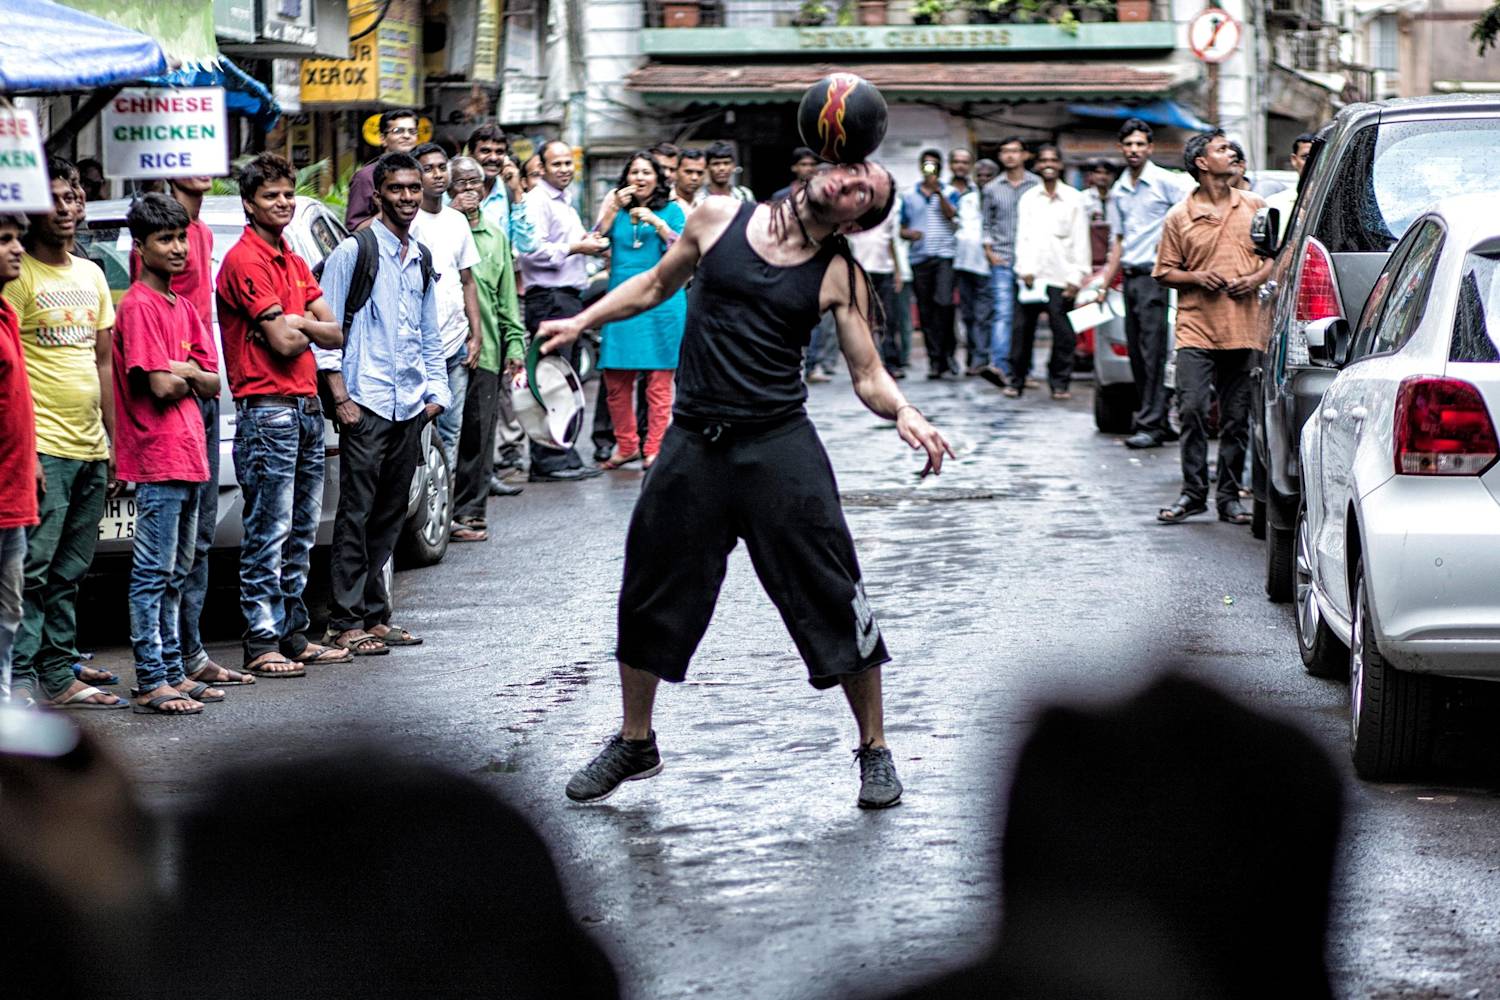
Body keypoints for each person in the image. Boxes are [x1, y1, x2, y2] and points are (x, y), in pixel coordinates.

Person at [538, 161, 954, 810]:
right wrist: (582, 322)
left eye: (865, 189)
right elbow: (652, 285)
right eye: (850, 171)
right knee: (649, 587)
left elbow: (867, 372)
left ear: (857, 218)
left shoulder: (839, 272)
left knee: (833, 591)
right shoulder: (716, 217)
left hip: (778, 445)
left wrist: (904, 411)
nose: (850, 183)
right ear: (819, 173)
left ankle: (874, 748)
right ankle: (635, 739)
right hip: (693, 442)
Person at [217, 153, 351, 676]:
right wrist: (299, 324)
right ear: (249, 203)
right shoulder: (245, 260)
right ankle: (262, 641)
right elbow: (282, 338)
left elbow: (334, 330)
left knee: (299, 532)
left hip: (306, 406)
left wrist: (299, 322)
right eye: (271, 196)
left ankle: (293, 635)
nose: (283, 203)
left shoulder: (293, 259)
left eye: (288, 195)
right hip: (267, 409)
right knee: (268, 530)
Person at [317, 152, 452, 651]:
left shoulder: (421, 256)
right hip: (366, 402)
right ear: (378, 194)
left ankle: (376, 616)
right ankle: (345, 622)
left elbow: (428, 332)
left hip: (410, 406)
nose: (408, 198)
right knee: (356, 513)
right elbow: (327, 332)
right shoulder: (354, 252)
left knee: (390, 514)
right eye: (397, 189)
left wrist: (436, 393)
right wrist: (339, 396)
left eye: (414, 189)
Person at [4, 162, 126, 710]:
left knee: (73, 569)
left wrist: (113, 439)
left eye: (74, 196)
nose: (68, 207)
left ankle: (59, 671)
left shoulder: (93, 274)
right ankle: (22, 677)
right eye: (55, 198)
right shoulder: (19, 275)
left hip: (89, 445)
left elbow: (104, 362)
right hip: (44, 446)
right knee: (32, 568)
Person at [113, 194, 223, 715]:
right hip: (157, 457)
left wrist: (184, 370)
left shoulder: (181, 307)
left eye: (181, 238)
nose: (178, 248)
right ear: (141, 248)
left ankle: (175, 670)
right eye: (165, 239)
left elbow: (213, 380)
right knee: (153, 572)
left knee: (178, 571)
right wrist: (184, 372)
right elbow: (159, 386)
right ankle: (151, 677)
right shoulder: (137, 306)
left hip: (190, 455)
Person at [1153, 129, 1271, 526]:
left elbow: (1278, 256)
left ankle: (1229, 497)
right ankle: (1192, 493)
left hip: (1243, 327)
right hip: (1196, 329)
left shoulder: (1255, 205)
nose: (1232, 152)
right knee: (1191, 410)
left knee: (1237, 418)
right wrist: (1198, 277)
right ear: (1202, 164)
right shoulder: (1178, 216)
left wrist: (1254, 280)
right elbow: (1164, 271)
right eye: (1222, 149)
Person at [1094, 118, 1193, 448]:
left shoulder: (1166, 182)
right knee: (1137, 353)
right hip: (1131, 278)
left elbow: (1191, 215)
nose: (1134, 150)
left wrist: (1170, 248)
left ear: (1149, 148)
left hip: (1156, 277)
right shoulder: (1120, 189)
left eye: (1140, 145)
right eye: (1129, 145)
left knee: (1153, 353)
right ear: (1121, 149)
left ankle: (1151, 423)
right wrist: (1104, 283)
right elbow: (1118, 242)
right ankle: (1158, 420)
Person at [518, 140, 609, 482]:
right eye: (556, 164)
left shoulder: (564, 202)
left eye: (568, 163)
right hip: (549, 298)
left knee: (564, 381)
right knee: (550, 380)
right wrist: (576, 247)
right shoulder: (537, 201)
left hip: (568, 296)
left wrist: (590, 246)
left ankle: (563, 454)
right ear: (542, 167)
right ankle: (546, 461)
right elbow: (530, 251)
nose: (564, 169)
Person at [448, 158, 527, 543]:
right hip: (445, 348)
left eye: (474, 183)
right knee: (448, 434)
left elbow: (507, 299)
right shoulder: (439, 229)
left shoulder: (495, 236)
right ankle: (442, 509)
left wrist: (515, 344)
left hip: (489, 349)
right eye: (459, 183)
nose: (467, 189)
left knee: (479, 435)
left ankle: (470, 513)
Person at [592, 152, 687, 470]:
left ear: (659, 179)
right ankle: (627, 445)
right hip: (619, 301)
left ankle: (655, 448)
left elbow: (684, 251)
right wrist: (611, 210)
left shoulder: (673, 211)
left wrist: (656, 222)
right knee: (615, 380)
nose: (640, 178)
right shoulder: (616, 210)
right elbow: (594, 242)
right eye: (634, 172)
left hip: (662, 304)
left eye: (647, 172)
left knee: (659, 383)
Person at [410, 142, 482, 475]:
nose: (438, 174)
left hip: (456, 343)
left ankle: (445, 506)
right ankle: (419, 511)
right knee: (421, 431)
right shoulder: (409, 222)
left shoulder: (457, 220)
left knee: (452, 430)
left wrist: (475, 335)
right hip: (420, 348)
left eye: (442, 167)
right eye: (429, 168)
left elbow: (467, 280)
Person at [1010, 145, 1089, 400]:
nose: (1048, 164)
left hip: (1061, 276)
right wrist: (1023, 268)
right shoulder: (1028, 199)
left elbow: (1081, 240)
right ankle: (1016, 380)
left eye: (1053, 160)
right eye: (1043, 160)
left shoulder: (1074, 199)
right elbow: (1022, 237)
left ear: (1060, 165)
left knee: (1064, 335)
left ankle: (1059, 383)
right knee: (1022, 333)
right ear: (1037, 165)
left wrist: (1076, 278)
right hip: (1032, 277)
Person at [0, 215, 34, 703]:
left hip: (13, 497)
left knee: (8, 613)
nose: (17, 249)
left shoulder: (7, 313)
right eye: (4, 240)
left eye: (18, 239)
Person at [977, 137, 1039, 390]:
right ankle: (1000, 366)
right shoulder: (992, 188)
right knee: (1003, 313)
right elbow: (986, 224)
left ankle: (1025, 369)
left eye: (1015, 151)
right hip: (1002, 259)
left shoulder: (1036, 186)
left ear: (1024, 155)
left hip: (1031, 262)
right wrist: (989, 251)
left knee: (1028, 317)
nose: (1010, 156)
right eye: (1005, 151)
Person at [900, 148, 959, 379]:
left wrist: (939, 193)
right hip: (919, 257)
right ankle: (935, 361)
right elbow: (901, 228)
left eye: (934, 165)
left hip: (944, 255)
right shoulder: (908, 195)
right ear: (920, 167)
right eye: (926, 165)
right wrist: (909, 234)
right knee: (926, 311)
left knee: (944, 304)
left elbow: (952, 216)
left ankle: (949, 354)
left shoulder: (951, 192)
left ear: (941, 167)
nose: (929, 169)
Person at [847, 198, 903, 378]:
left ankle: (892, 362)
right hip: (861, 272)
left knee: (888, 319)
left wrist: (897, 271)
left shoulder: (887, 216)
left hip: (884, 271)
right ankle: (869, 364)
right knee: (864, 320)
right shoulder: (852, 217)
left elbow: (891, 243)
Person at [950, 147, 994, 374]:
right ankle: (972, 357)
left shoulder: (997, 197)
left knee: (983, 315)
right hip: (964, 263)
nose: (984, 180)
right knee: (967, 314)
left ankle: (981, 358)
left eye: (988, 176)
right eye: (981, 175)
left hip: (988, 265)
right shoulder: (965, 198)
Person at [465, 123, 537, 253]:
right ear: (471, 155)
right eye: (485, 151)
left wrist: (517, 191)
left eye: (499, 152)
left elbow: (527, 245)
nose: (493, 158)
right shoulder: (454, 191)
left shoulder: (510, 194)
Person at [346, 108, 421, 231]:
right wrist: (389, 211)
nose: (407, 136)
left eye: (412, 131)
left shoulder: (422, 172)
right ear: (382, 139)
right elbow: (355, 230)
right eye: (398, 131)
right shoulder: (366, 177)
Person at [1263, 132, 1313, 241]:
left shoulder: (1336, 203)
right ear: (1294, 160)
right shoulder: (1274, 204)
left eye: (1316, 157)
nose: (1311, 163)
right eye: (1305, 157)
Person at [1082, 159, 1118, 269]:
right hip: (1089, 256)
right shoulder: (1082, 199)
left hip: (1113, 256)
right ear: (1091, 175)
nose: (1102, 176)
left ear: (1113, 176)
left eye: (1107, 173)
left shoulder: (1119, 199)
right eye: (1098, 172)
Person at [674, 147, 706, 211]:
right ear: (676, 171)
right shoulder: (662, 201)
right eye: (688, 172)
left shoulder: (705, 203)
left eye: (700, 173)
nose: (695, 178)